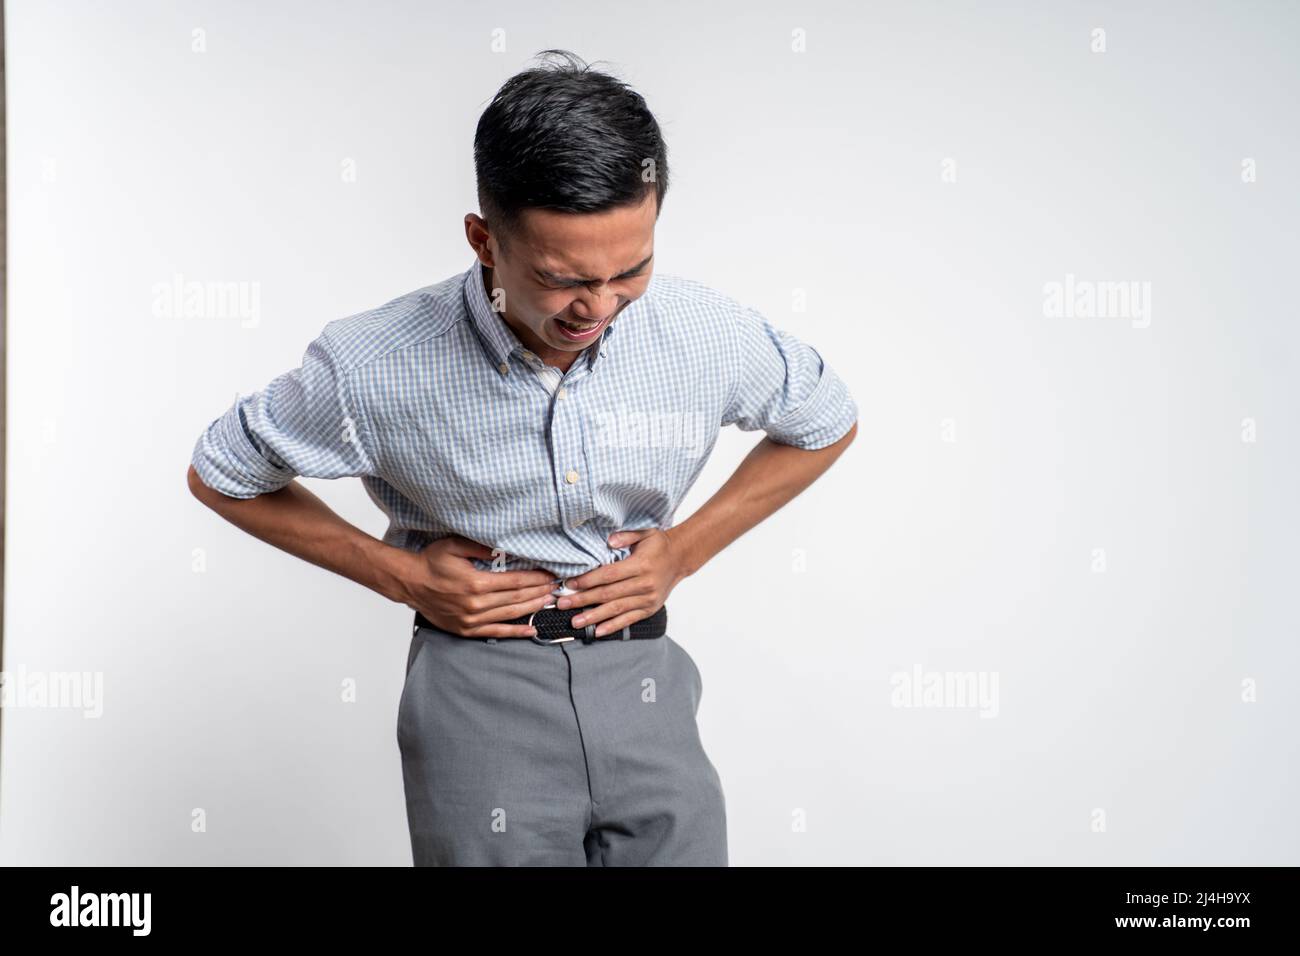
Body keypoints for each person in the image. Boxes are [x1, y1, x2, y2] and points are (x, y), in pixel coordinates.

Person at [187, 49, 857, 866]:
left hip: (646, 682)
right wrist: (400, 576)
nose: (598, 306)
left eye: (630, 270)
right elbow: (223, 472)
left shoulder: (703, 331)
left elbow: (825, 419)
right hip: (478, 697)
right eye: (562, 278)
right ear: (483, 240)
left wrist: (683, 550)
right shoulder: (374, 362)